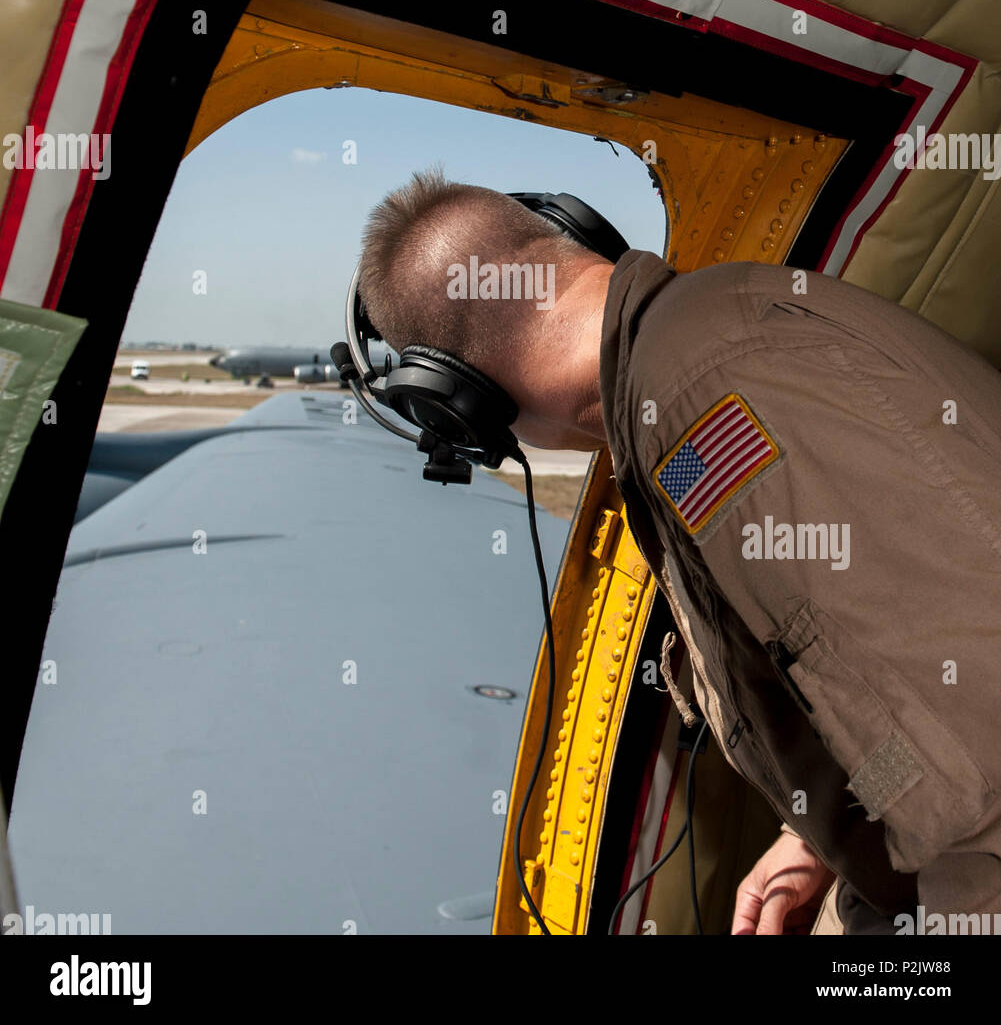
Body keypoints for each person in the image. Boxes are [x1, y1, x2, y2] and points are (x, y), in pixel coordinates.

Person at [357, 167, 1001, 936]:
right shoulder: (684, 390)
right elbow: (901, 681)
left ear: (459, 397)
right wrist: (822, 837)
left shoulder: (715, 396)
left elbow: (978, 719)